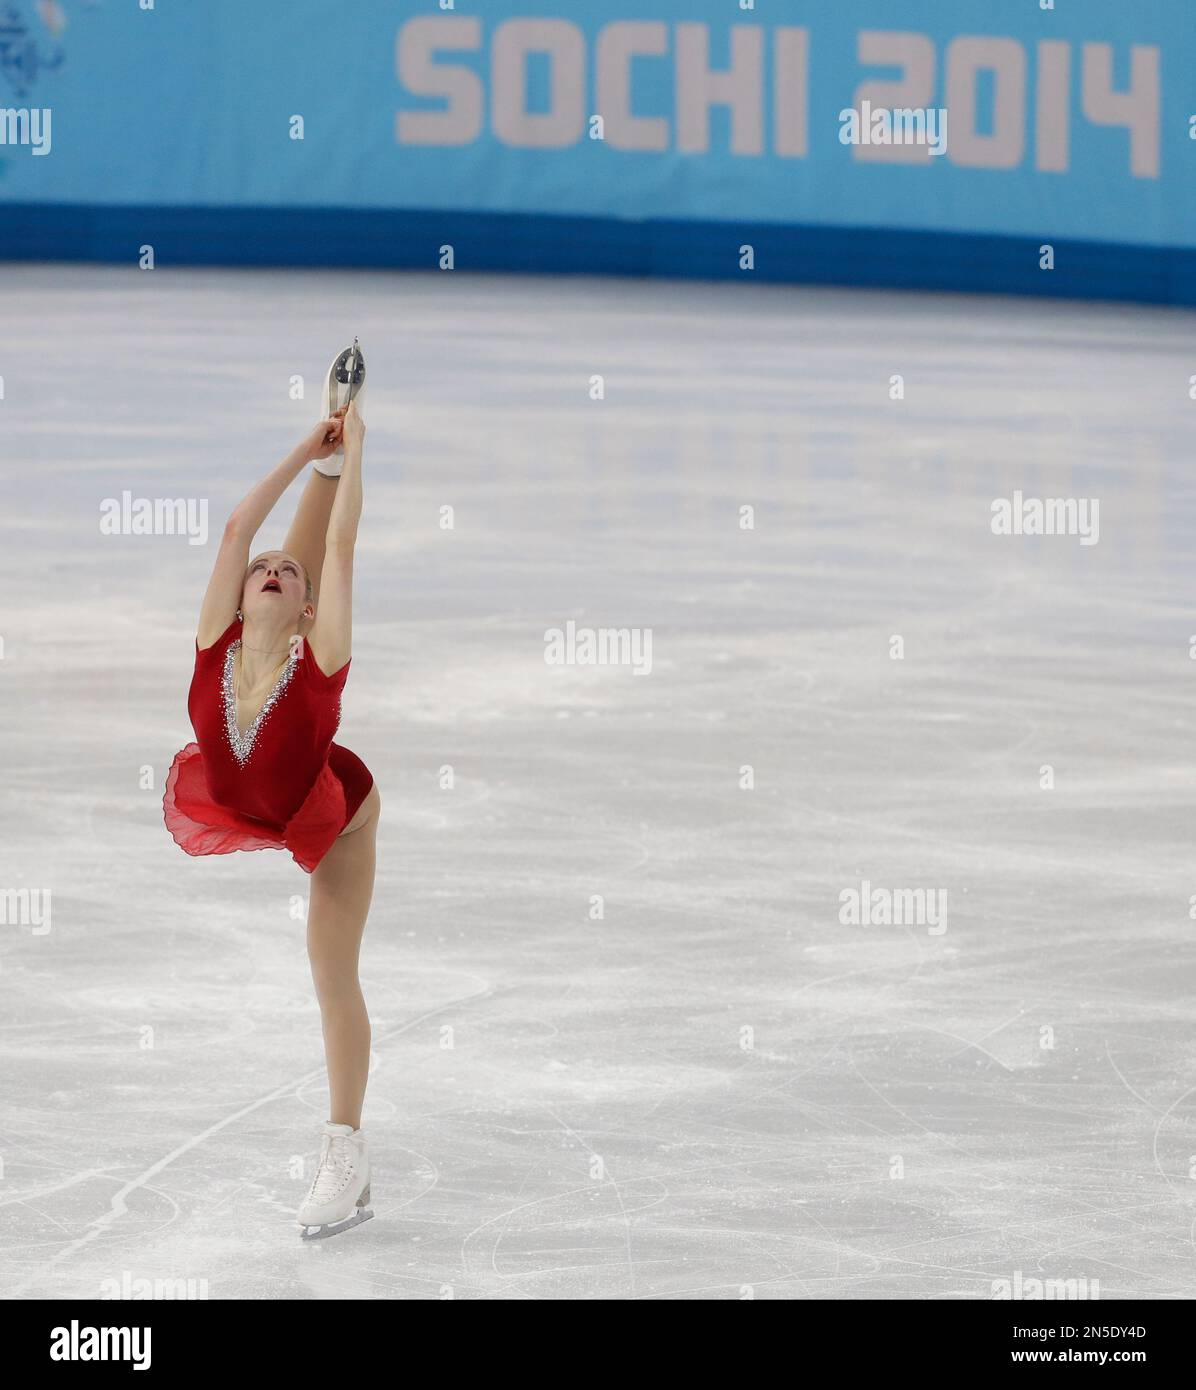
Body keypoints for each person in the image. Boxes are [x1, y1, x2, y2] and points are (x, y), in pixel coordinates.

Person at [163, 398, 379, 1238]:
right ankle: (321, 459)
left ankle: (345, 1153)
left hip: (333, 815)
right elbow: (236, 531)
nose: (271, 570)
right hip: (243, 797)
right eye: (263, 569)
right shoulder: (215, 640)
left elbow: (340, 549)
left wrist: (356, 449)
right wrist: (310, 448)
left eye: (288, 574)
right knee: (269, 540)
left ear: (306, 610)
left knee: (330, 972)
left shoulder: (320, 662)